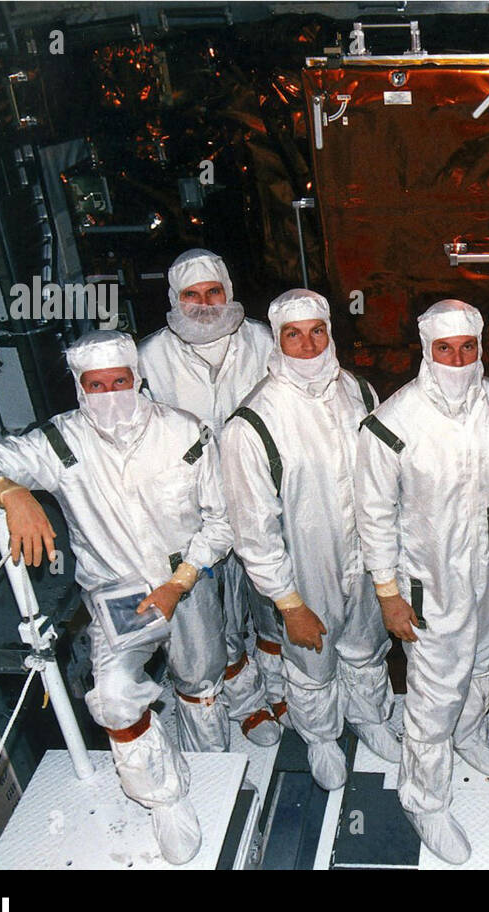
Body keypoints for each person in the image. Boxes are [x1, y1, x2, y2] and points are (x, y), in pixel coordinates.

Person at [0, 330, 232, 864]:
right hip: (120, 592)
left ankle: (210, 760)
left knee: (200, 682)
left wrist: (180, 580)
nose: (109, 394)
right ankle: (163, 797)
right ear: (79, 388)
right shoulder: (61, 443)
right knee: (117, 697)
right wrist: (11, 491)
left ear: (137, 379)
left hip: (186, 584)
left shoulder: (185, 434)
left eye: (119, 381)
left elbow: (220, 521)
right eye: (94, 385)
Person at [354, 299, 489, 865]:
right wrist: (388, 593)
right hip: (429, 580)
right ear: (425, 350)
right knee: (433, 691)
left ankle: (469, 733)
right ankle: (424, 798)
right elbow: (373, 514)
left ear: (481, 347)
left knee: (481, 661)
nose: (457, 358)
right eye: (444, 349)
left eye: (467, 347)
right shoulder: (393, 424)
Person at [220, 289, 400, 791]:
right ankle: (320, 736)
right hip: (305, 566)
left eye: (316, 331)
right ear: (277, 341)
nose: (307, 345)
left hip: (363, 557)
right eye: (293, 335)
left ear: (330, 332)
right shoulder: (254, 421)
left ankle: (370, 718)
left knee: (366, 646)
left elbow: (383, 479)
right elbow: (253, 528)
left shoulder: (360, 392)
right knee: (311, 658)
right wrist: (288, 602)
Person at [138, 248, 287, 747]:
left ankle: (282, 687)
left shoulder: (264, 341)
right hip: (194, 512)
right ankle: (244, 701)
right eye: (191, 296)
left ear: (228, 290)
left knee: (271, 598)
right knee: (212, 613)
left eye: (213, 292)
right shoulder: (149, 357)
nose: (204, 305)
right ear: (174, 299)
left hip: (260, 496)